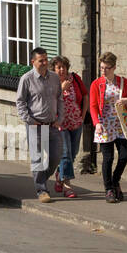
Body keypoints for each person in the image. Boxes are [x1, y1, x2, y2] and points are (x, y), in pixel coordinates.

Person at [16, 47, 62, 203]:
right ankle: (41, 190)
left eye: (46, 59)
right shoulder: (26, 79)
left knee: (55, 157)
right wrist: (29, 120)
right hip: (36, 125)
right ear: (33, 62)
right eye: (41, 60)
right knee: (38, 159)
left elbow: (60, 99)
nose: (45, 63)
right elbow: (20, 102)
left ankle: (41, 179)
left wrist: (60, 118)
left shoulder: (55, 78)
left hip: (53, 125)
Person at [90, 51, 127, 203]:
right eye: (102, 67)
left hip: (120, 125)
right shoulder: (96, 84)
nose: (103, 71)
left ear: (114, 67)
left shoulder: (123, 82)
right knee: (108, 158)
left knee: (124, 156)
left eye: (107, 68)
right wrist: (97, 123)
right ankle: (108, 189)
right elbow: (93, 106)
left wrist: (126, 100)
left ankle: (115, 181)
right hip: (104, 125)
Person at [52, 56, 86, 198]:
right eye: (58, 67)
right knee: (65, 153)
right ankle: (67, 186)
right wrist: (61, 88)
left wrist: (83, 117)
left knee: (73, 153)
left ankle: (60, 174)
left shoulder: (75, 79)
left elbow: (85, 96)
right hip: (60, 124)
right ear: (54, 69)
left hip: (76, 122)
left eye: (63, 67)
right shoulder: (51, 83)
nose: (61, 70)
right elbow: (48, 101)